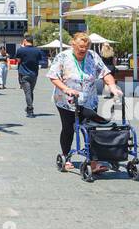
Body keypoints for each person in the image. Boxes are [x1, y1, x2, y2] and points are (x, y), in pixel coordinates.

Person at [49, 33, 123, 171]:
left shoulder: (93, 56)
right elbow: (53, 76)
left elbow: (105, 73)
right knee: (69, 128)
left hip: (89, 100)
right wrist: (66, 89)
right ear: (73, 45)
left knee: (91, 128)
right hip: (66, 101)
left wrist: (112, 86)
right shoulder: (62, 57)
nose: (83, 50)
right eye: (80, 47)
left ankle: (94, 162)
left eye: (86, 47)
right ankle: (66, 156)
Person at [15, 36, 44, 118]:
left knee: (27, 92)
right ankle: (28, 107)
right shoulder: (37, 50)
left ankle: (30, 110)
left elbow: (18, 60)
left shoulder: (20, 50)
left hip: (24, 73)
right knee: (30, 91)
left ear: (25, 41)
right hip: (34, 74)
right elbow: (38, 60)